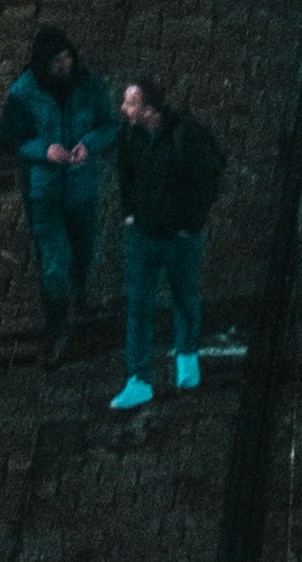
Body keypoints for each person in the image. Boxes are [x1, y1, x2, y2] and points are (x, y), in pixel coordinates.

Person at [108, 74, 223, 404]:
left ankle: (187, 356)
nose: (124, 108)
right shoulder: (131, 134)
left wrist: (191, 223)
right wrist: (130, 213)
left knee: (184, 297)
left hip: (179, 238)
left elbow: (210, 176)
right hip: (143, 235)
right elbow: (125, 174)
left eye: (131, 103)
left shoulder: (185, 135)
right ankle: (139, 379)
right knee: (139, 307)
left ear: (149, 108)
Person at [0, 25, 110, 355]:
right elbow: (13, 137)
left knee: (83, 251)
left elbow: (108, 126)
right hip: (44, 192)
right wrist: (44, 149)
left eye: (66, 58)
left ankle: (80, 298)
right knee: (53, 260)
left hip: (81, 189)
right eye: (56, 61)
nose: (63, 66)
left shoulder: (90, 88)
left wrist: (88, 145)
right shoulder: (22, 93)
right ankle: (57, 323)